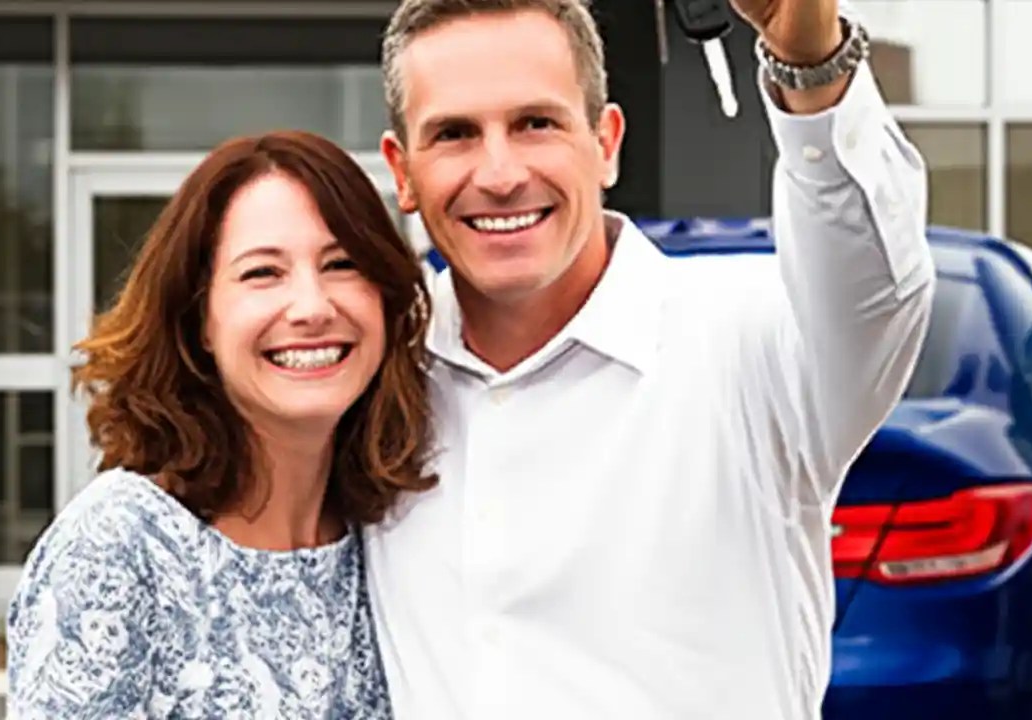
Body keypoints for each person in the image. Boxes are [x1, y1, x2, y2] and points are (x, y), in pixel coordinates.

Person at [363, 0, 936, 718]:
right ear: (403, 169)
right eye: (454, 134)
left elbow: (877, 288)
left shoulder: (750, 347)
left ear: (605, 143)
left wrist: (815, 72)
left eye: (536, 123)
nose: (501, 172)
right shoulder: (370, 382)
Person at [4, 130, 436, 719]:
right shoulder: (118, 550)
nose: (312, 307)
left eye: (342, 264)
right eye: (263, 273)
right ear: (199, 320)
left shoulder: (395, 534)